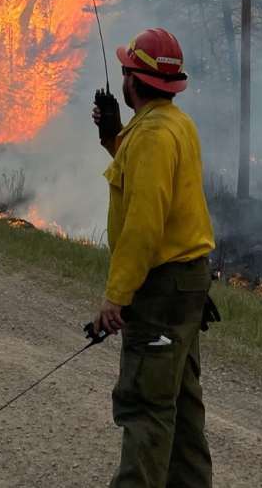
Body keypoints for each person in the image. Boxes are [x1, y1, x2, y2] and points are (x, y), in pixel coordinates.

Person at [92, 28, 216, 488]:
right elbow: (142, 165)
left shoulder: (152, 138)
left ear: (135, 81)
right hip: (188, 284)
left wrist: (116, 297)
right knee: (181, 408)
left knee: (145, 407)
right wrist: (112, 134)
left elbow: (143, 227)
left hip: (161, 289)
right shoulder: (171, 124)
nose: (122, 75)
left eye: (126, 69)